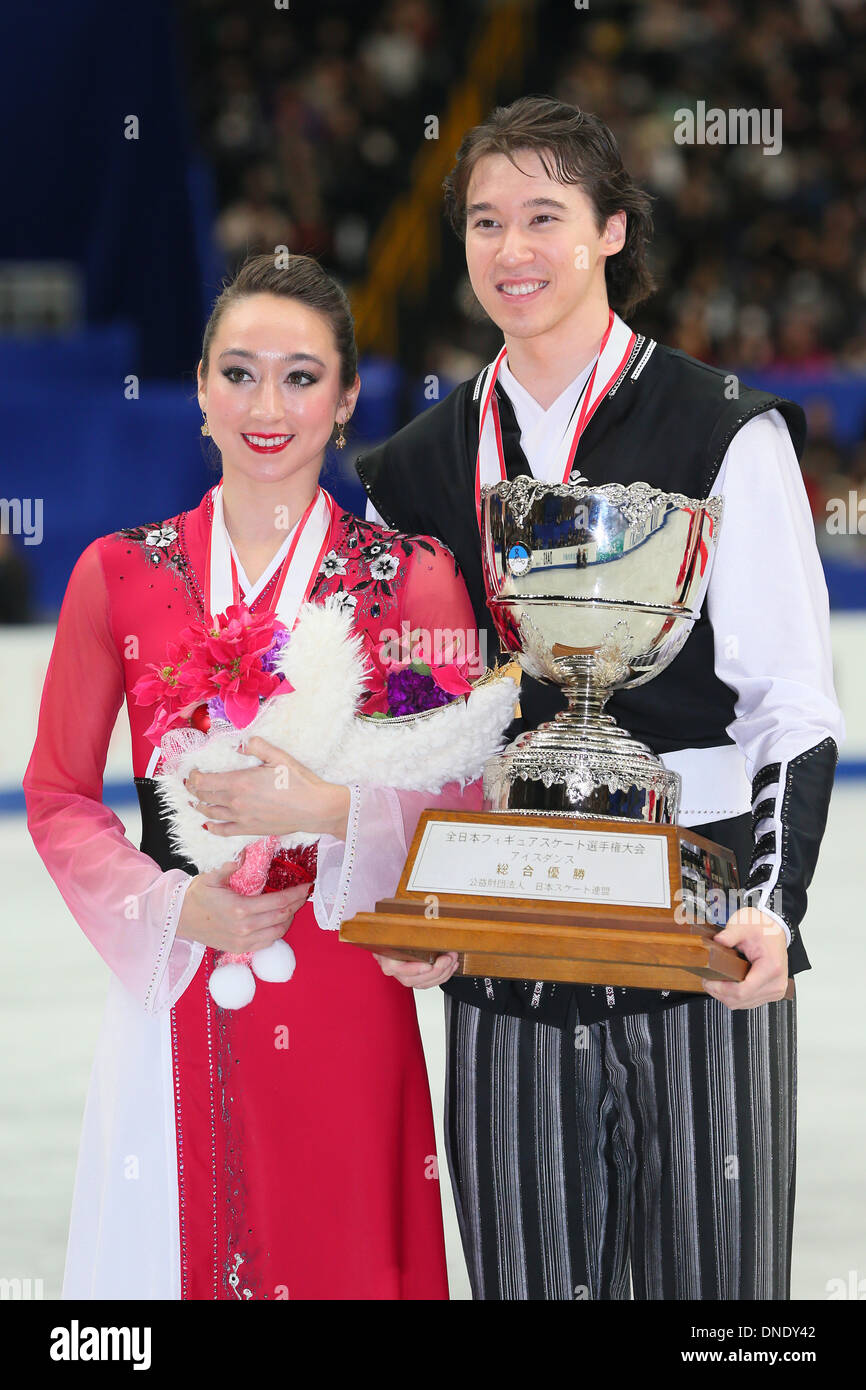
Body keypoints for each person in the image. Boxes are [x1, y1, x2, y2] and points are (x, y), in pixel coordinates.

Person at [356, 96, 845, 1300]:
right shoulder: (414, 469)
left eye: (542, 216)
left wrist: (771, 910)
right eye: (481, 221)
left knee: (719, 1302)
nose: (509, 250)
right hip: (501, 945)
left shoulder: (722, 432)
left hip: (696, 929)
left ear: (611, 230)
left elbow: (793, 700)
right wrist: (401, 896)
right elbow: (404, 721)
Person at [23, 251, 485, 1301]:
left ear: (347, 396)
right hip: (177, 978)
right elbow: (55, 794)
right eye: (237, 373)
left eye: (299, 375)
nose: (265, 405)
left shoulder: (411, 577)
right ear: (196, 389)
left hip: (349, 996)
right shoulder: (118, 574)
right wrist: (172, 904)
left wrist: (331, 814)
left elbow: (465, 793)